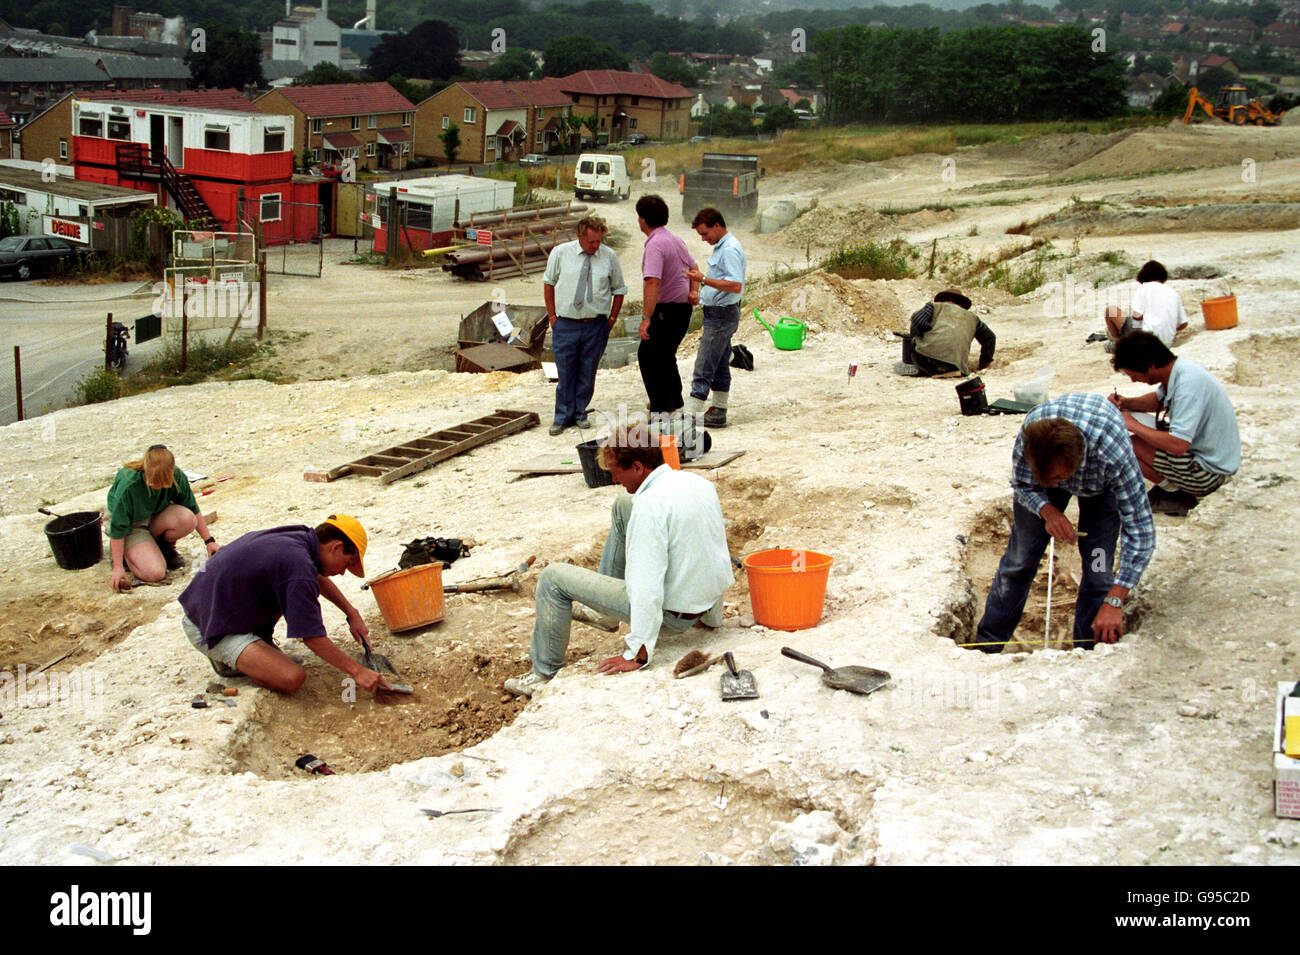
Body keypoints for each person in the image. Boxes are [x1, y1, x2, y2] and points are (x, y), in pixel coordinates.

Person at [504, 422, 733, 697]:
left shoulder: (650, 507)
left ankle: (543, 673)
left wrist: (638, 653)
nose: (614, 480)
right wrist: (710, 614)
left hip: (672, 616)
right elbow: (714, 547)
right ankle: (605, 615)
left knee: (552, 578)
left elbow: (646, 588)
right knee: (623, 505)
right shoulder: (696, 482)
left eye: (616, 472)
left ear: (637, 467)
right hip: (702, 603)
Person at [973, 393, 1156, 653]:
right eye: (1048, 477)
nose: (1055, 484)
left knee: (1098, 567)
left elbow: (1141, 530)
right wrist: (1047, 510)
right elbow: (1024, 485)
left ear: (1078, 463)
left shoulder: (1112, 452)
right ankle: (987, 644)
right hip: (1040, 491)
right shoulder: (1031, 438)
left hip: (1101, 490)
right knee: (1019, 560)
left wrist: (1115, 599)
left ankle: (1088, 651)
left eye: (1059, 477)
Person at [178, 514, 392, 693]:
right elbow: (312, 638)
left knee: (292, 591)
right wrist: (357, 671)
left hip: (215, 606)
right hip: (208, 626)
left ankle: (256, 646)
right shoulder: (298, 566)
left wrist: (351, 612)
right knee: (291, 677)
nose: (343, 572)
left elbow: (315, 577)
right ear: (335, 547)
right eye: (347, 563)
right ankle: (229, 660)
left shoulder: (302, 539)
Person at [1109, 331, 1239, 515]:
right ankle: (1173, 488)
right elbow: (1158, 401)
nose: (1133, 379)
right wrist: (1126, 403)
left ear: (1151, 365)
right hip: (1212, 456)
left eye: (1134, 374)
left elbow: (1178, 445)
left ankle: (1176, 494)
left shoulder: (1187, 385)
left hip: (1209, 473)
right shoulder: (1180, 371)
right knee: (1136, 430)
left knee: (1128, 446)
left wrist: (1132, 424)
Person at [541, 215, 627, 436]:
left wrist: (611, 320)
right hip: (566, 324)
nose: (595, 246)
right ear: (580, 236)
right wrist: (552, 316)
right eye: (591, 242)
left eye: (598, 241)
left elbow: (619, 290)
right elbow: (548, 283)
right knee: (565, 370)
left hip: (595, 325)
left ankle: (580, 413)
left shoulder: (608, 257)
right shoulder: (560, 253)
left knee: (587, 371)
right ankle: (562, 417)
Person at [106, 444, 218, 592]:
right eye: (154, 483)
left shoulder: (177, 476)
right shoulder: (129, 485)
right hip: (131, 525)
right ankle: (126, 554)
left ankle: (162, 547)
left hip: (155, 515)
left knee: (188, 519)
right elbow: (118, 527)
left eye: (162, 484)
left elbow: (192, 507)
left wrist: (209, 541)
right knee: (154, 573)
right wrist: (117, 567)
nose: (158, 487)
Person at [635, 194, 700, 415]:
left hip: (667, 310)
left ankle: (662, 409)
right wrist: (693, 291)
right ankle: (675, 404)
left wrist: (646, 318)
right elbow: (694, 267)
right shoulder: (675, 240)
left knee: (649, 356)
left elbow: (653, 281)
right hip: (681, 309)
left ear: (642, 220)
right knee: (665, 356)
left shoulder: (655, 245)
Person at [684, 207, 746, 428]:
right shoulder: (723, 247)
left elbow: (735, 284)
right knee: (719, 362)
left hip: (722, 315)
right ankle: (719, 410)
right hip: (718, 313)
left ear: (717, 225)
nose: (703, 239)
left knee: (704, 363)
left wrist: (702, 279)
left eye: (705, 233)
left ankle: (690, 415)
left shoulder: (729, 249)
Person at [894, 289, 995, 377]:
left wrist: (927, 331)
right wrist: (983, 363)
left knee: (914, 348)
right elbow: (990, 338)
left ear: (942, 300)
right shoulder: (973, 318)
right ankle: (948, 371)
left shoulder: (934, 306)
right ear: (961, 304)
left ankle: (925, 370)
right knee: (947, 363)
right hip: (956, 365)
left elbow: (917, 320)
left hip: (927, 359)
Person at [1104, 259, 1187, 349]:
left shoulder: (1144, 288)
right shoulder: (1174, 293)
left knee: (1111, 311)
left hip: (1146, 339)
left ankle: (1117, 343)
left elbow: (1137, 316)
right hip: (1166, 343)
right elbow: (1183, 323)